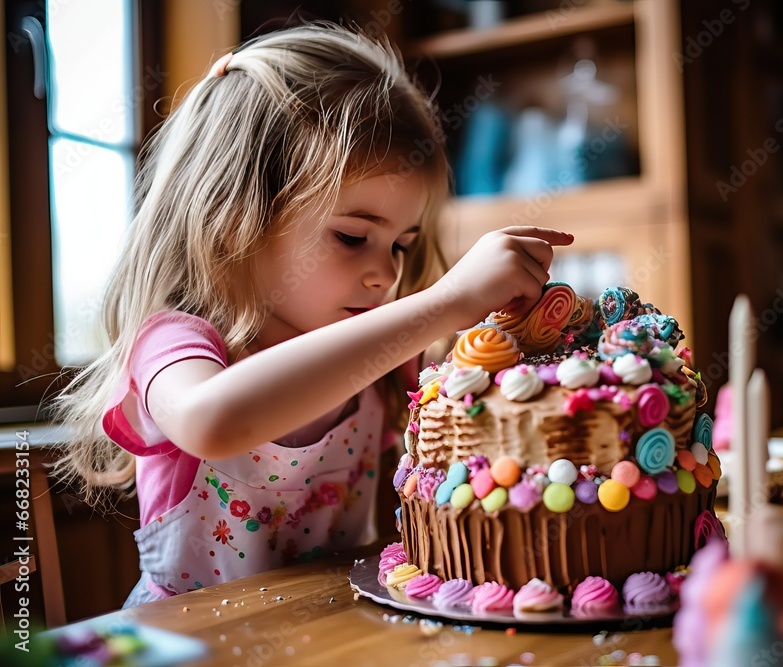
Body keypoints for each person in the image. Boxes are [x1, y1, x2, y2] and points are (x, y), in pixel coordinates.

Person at [51, 22, 572, 607]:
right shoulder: (177, 343)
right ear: (234, 216)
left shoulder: (378, 358)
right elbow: (213, 420)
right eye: (353, 236)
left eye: (401, 244)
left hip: (326, 635)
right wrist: (445, 302)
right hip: (193, 643)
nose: (387, 274)